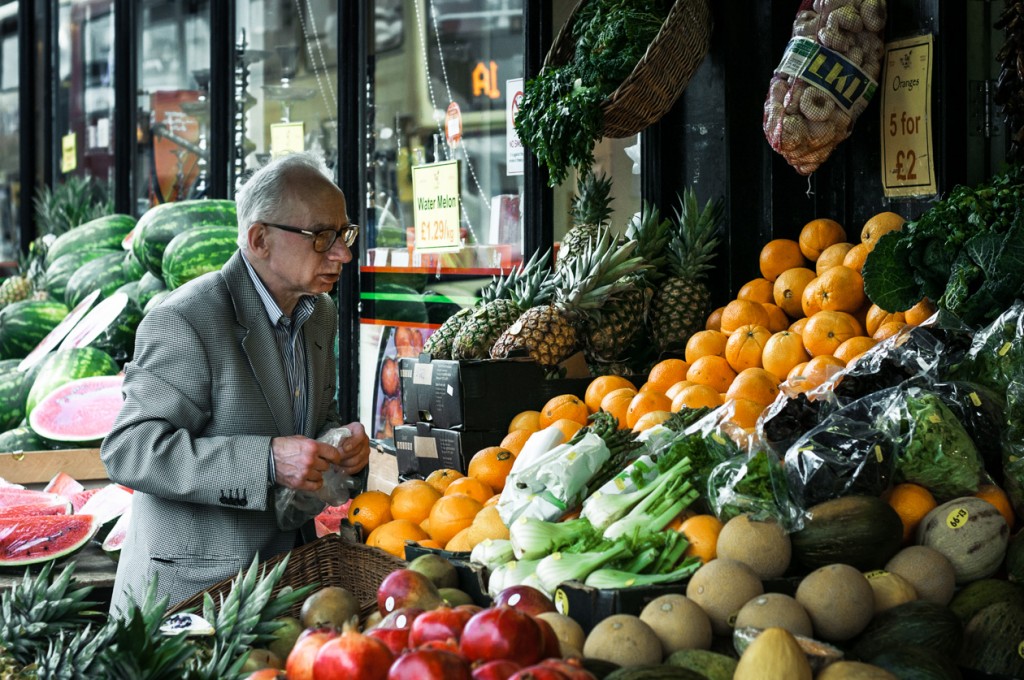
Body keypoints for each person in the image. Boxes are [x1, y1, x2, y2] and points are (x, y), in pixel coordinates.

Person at [101, 152, 370, 615]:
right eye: (322, 237)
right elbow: (130, 449)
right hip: (188, 599)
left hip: (286, 585)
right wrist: (265, 460)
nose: (343, 253)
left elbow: (308, 426)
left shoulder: (318, 314)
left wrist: (337, 447)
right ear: (260, 238)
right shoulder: (187, 318)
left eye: (344, 235)